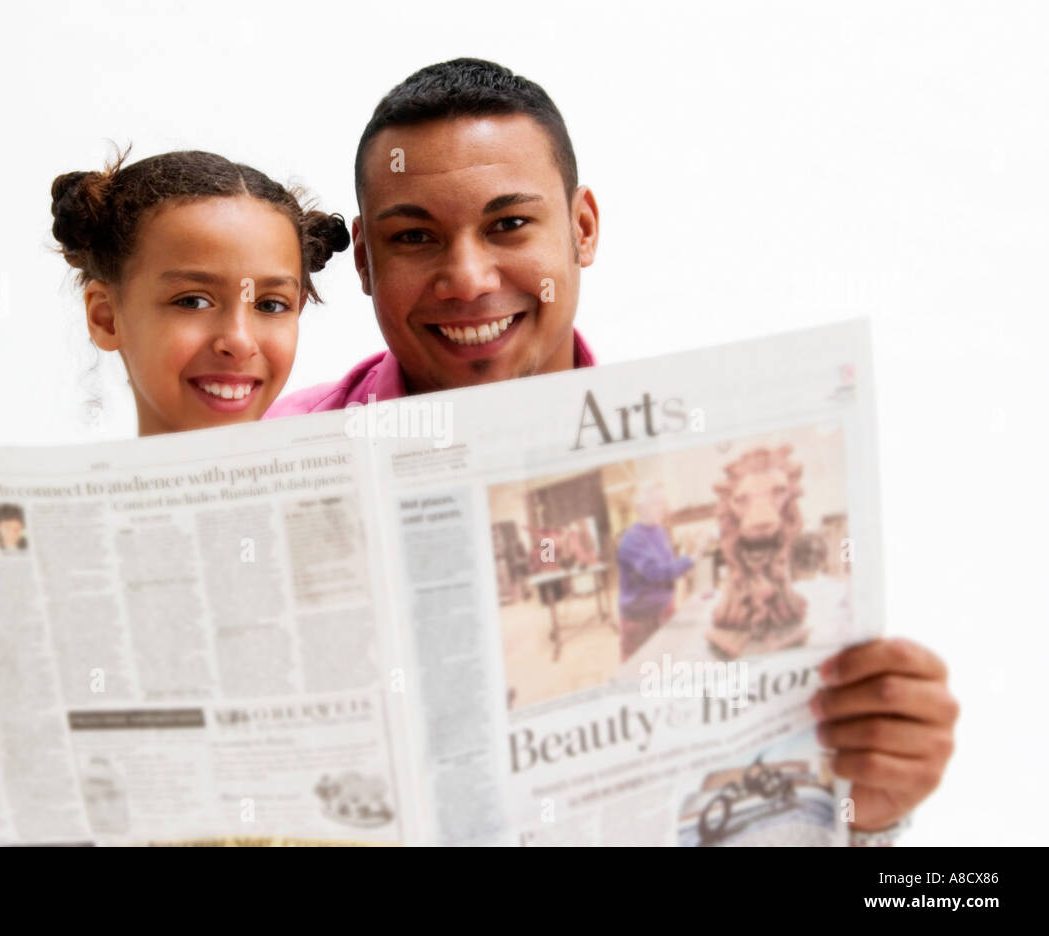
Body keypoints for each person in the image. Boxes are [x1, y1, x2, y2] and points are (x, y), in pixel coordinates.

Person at [266, 57, 957, 840]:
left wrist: (869, 814)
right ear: (364, 260)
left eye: (509, 225)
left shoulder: (696, 446)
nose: (466, 279)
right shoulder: (264, 459)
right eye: (415, 237)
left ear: (582, 228)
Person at [0, 147, 350, 846]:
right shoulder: (19, 564)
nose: (238, 340)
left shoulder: (352, 517)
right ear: (105, 316)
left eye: (273, 304)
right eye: (192, 300)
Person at [615, 482, 707, 659]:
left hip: (663, 608)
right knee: (639, 669)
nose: (663, 508)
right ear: (640, 507)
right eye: (656, 503)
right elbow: (655, 573)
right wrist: (692, 559)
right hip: (640, 618)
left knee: (668, 659)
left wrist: (690, 556)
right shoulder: (632, 539)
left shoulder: (660, 531)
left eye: (663, 502)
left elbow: (669, 565)